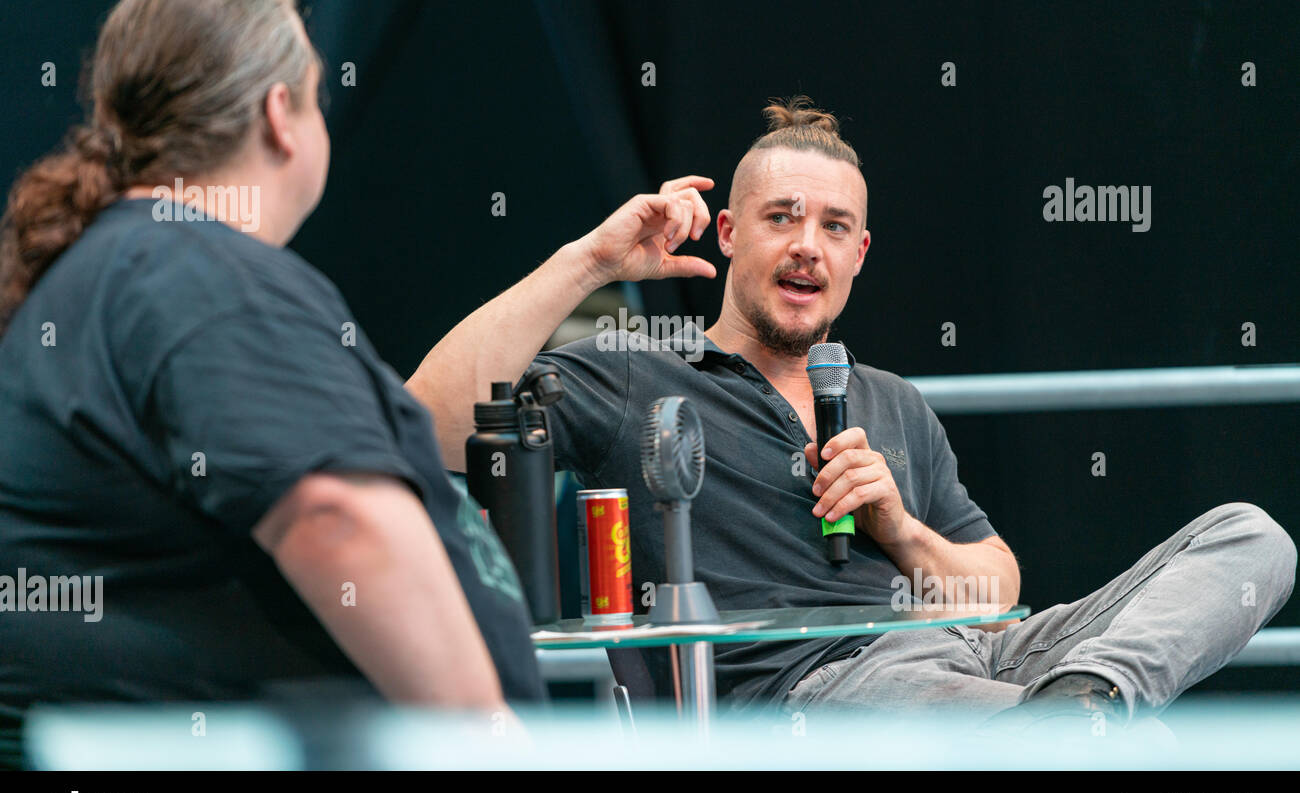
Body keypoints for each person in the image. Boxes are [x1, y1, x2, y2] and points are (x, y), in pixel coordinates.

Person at [406, 96, 1296, 734]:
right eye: (781, 216)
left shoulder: (891, 401)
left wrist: (901, 527)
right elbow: (429, 423)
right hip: (822, 691)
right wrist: (590, 261)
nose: (807, 244)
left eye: (834, 226)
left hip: (980, 656)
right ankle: (1070, 731)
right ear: (727, 233)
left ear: (859, 253)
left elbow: (995, 591)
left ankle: (1085, 707)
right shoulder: (640, 374)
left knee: (1252, 537)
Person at [0, 0, 543, 765]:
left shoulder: (123, 269)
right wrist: (491, 745)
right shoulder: (197, 273)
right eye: (318, 95)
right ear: (280, 113)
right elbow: (337, 517)